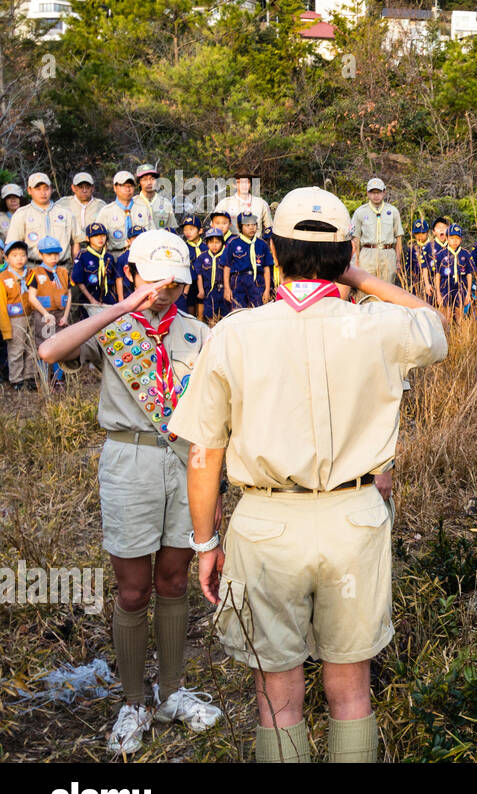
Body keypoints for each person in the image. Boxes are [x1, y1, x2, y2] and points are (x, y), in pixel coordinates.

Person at [170, 187, 449, 763]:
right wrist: (361, 277)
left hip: (267, 524)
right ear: (345, 252)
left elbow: (204, 454)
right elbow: (432, 322)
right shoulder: (377, 326)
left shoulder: (234, 333)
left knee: (279, 692)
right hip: (354, 519)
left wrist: (205, 543)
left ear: (274, 250)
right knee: (351, 689)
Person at [37, 229, 224, 754]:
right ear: (132, 274)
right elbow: (52, 349)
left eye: (172, 282)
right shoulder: (111, 328)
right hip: (129, 459)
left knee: (173, 578)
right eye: (151, 278)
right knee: (133, 588)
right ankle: (133, 700)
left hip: (184, 459)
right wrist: (121, 307)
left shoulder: (198, 334)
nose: (161, 291)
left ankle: (171, 691)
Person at [27, 236, 73, 386]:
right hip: (43, 315)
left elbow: (69, 294)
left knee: (59, 344)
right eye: (49, 254)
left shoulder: (63, 272)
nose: (53, 257)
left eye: (56, 254)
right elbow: (32, 297)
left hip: (60, 314)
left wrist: (66, 316)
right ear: (41, 255)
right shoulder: (35, 272)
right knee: (44, 344)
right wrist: (45, 314)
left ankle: (59, 378)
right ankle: (44, 379)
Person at [7, 172, 79, 266]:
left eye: (46, 188)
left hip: (62, 268)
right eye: (38, 189)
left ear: (51, 189)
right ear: (29, 190)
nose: (43, 193)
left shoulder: (66, 213)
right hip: (33, 267)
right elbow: (12, 245)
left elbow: (75, 243)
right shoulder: (21, 214)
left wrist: (76, 268)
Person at [350, 179, 404, 285]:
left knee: (387, 288)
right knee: (366, 286)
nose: (376, 196)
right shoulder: (360, 212)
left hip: (387, 254)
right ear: (367, 193)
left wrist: (398, 261)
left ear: (384, 192)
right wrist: (356, 261)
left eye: (378, 192)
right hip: (367, 254)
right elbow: (356, 238)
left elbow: (398, 237)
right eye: (372, 192)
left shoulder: (393, 211)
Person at [2, 240, 36, 390]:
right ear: (7, 257)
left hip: (32, 315)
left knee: (31, 348)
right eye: (15, 255)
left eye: (23, 255)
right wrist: (5, 329)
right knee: (16, 349)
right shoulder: (3, 277)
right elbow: (1, 305)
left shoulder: (31, 273)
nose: (19, 258)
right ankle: (16, 379)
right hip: (14, 319)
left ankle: (30, 376)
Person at [221, 213, 273, 310]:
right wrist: (227, 288)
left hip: (257, 281)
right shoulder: (233, 243)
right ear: (239, 227)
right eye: (247, 225)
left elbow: (266, 268)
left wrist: (267, 290)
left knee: (258, 310)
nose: (251, 227)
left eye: (254, 224)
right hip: (238, 281)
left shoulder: (262, 244)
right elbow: (226, 267)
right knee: (238, 311)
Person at [100, 170, 147, 254]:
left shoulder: (143, 209)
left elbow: (151, 234)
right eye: (123, 186)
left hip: (140, 255)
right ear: (115, 188)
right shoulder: (106, 211)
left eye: (131, 186)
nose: (128, 189)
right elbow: (99, 238)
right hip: (116, 256)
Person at [72, 221, 117, 308]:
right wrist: (91, 299)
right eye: (95, 236)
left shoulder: (109, 257)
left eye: (103, 235)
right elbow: (79, 281)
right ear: (87, 238)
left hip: (108, 298)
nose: (100, 238)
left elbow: (113, 279)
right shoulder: (82, 256)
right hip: (89, 298)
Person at [53, 171, 106, 243]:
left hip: (94, 247)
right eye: (80, 187)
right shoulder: (62, 204)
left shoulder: (101, 206)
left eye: (87, 187)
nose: (84, 190)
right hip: (69, 247)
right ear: (73, 188)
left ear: (92, 188)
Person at [436, 225, 474, 315]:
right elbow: (437, 274)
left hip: (461, 286)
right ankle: (447, 329)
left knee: (459, 313)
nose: (454, 241)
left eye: (457, 238)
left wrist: (468, 293)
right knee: (446, 313)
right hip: (445, 286)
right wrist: (438, 293)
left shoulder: (466, 254)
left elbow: (469, 274)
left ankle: (459, 329)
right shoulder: (440, 254)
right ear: (447, 238)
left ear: (461, 239)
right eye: (452, 238)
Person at [194, 227, 227, 324]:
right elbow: (199, 275)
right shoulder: (202, 257)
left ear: (222, 243)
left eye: (217, 242)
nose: (214, 245)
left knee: (224, 316)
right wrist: (201, 290)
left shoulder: (225, 256)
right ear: (207, 243)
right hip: (208, 291)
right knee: (209, 316)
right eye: (211, 242)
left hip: (223, 290)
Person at [136, 163, 176, 230]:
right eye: (145, 179)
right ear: (139, 183)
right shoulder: (133, 203)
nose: (149, 182)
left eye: (152, 179)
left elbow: (172, 230)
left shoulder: (166, 203)